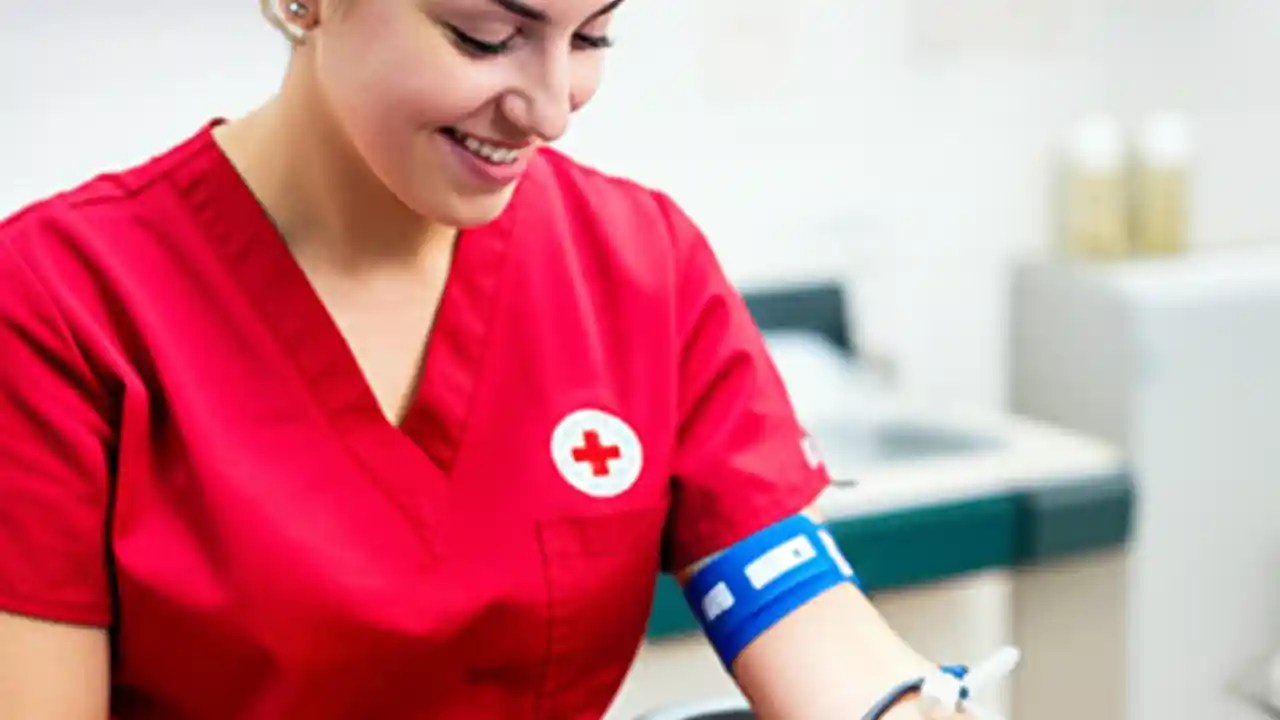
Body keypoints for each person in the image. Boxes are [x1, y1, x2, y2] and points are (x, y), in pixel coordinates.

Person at [0, 1, 1004, 718]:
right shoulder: (60, 303)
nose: (551, 109)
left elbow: (793, 607)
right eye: (486, 37)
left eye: (593, 36)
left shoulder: (636, 265)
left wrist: (903, 704)